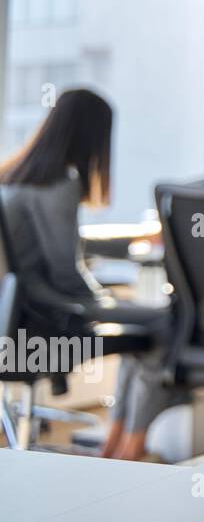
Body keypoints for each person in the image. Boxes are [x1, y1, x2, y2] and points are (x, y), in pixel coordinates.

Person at [0, 88, 183, 460]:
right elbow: (68, 276)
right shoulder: (60, 182)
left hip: (13, 323)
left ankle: (112, 445)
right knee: (170, 320)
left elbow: (71, 243)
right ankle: (129, 450)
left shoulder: (15, 177)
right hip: (47, 320)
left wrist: (136, 236)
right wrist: (108, 301)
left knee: (142, 332)